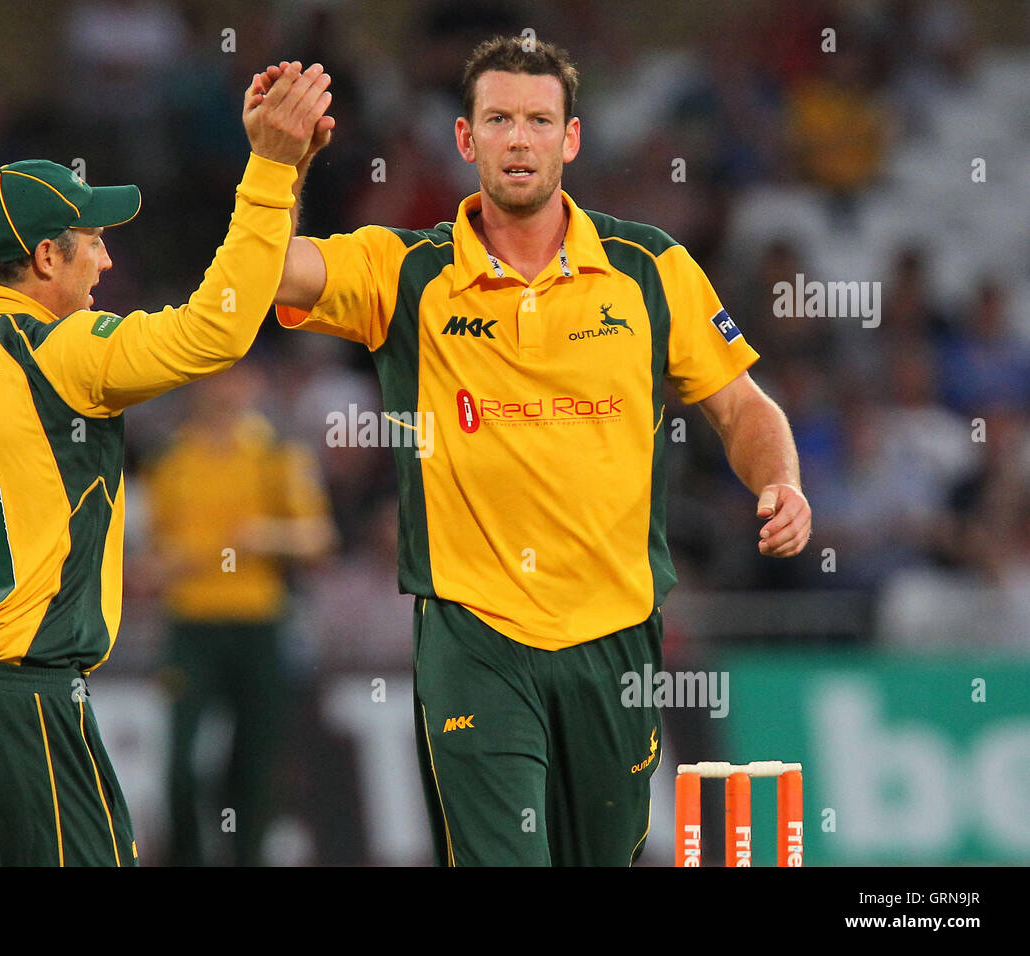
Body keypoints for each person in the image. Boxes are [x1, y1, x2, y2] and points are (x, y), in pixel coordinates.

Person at [266, 37, 812, 866]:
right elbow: (273, 275)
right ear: (465, 138)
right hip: (473, 634)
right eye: (498, 120)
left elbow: (740, 405)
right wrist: (281, 166)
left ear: (571, 139)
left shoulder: (649, 267)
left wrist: (781, 482)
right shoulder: (403, 271)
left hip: (616, 634)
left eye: (537, 121)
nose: (518, 139)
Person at [0, 62, 335, 866]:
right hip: (18, 696)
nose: (106, 261)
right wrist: (273, 169)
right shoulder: (62, 350)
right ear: (45, 258)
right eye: (94, 240)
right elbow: (216, 330)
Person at [142, 362, 335, 865]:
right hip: (192, 625)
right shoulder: (171, 459)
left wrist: (263, 536)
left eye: (238, 378)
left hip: (258, 624)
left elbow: (318, 538)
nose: (228, 390)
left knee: (256, 764)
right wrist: (179, 562)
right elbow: (146, 561)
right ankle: (186, 856)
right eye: (218, 379)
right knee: (181, 765)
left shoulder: (276, 454)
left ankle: (247, 856)